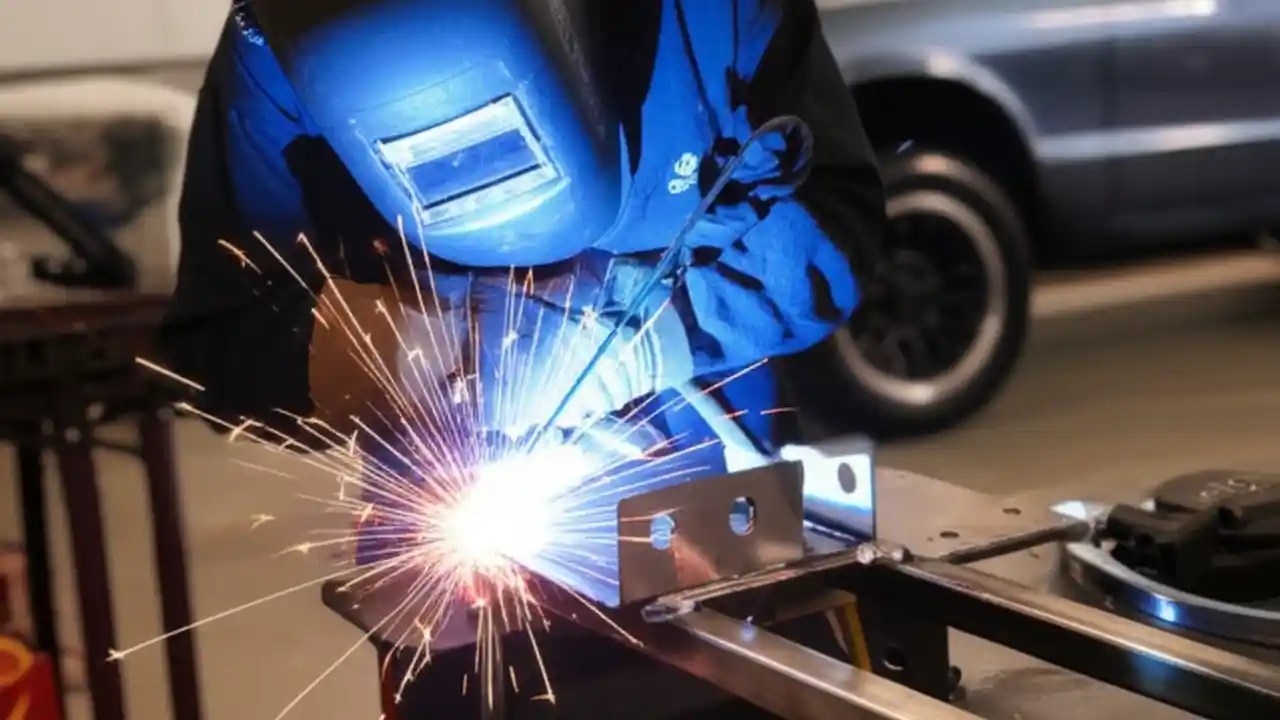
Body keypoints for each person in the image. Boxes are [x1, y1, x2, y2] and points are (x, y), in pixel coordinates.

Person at [160, 0, 883, 716]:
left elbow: (836, 219)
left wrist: (656, 336)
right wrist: (403, 350)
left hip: (724, 546)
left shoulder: (706, 13)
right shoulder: (283, 37)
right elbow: (219, 339)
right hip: (455, 598)